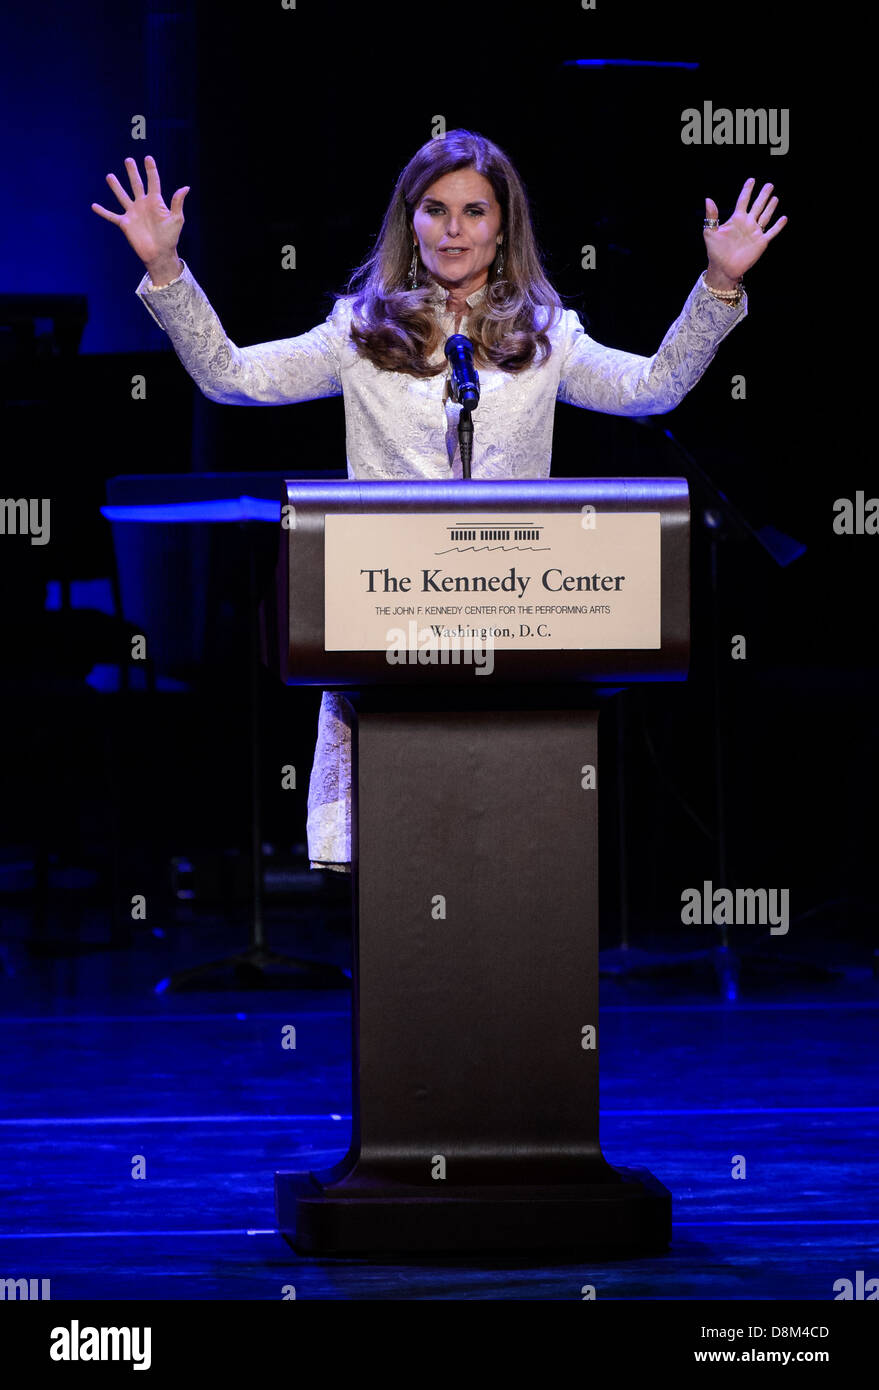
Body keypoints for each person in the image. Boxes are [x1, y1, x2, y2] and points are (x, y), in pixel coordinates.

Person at [92, 129, 787, 875]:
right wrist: (165, 266)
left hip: (516, 612)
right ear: (409, 220)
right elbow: (230, 376)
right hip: (387, 614)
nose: (453, 229)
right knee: (406, 858)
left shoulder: (549, 336)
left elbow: (652, 388)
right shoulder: (356, 332)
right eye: (434, 209)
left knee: (503, 857)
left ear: (502, 227)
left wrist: (717, 285)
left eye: (474, 211)